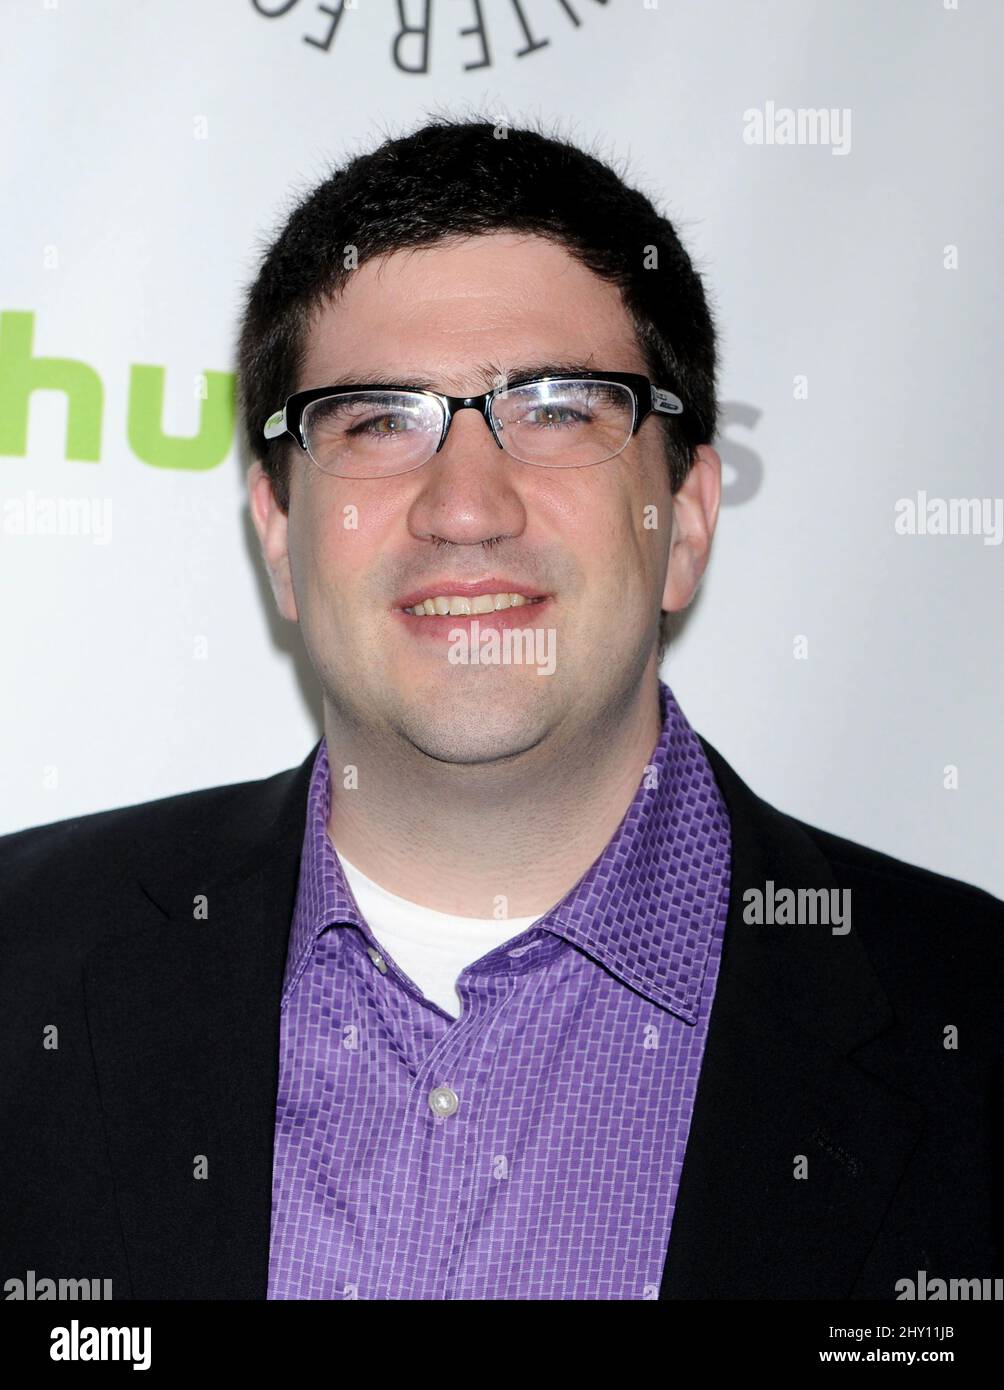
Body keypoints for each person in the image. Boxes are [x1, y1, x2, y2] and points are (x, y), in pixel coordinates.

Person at [2, 117, 1001, 1302]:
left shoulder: (971, 1030)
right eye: (377, 420)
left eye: (557, 409)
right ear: (278, 538)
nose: (464, 506)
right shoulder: (24, 967)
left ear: (682, 522)